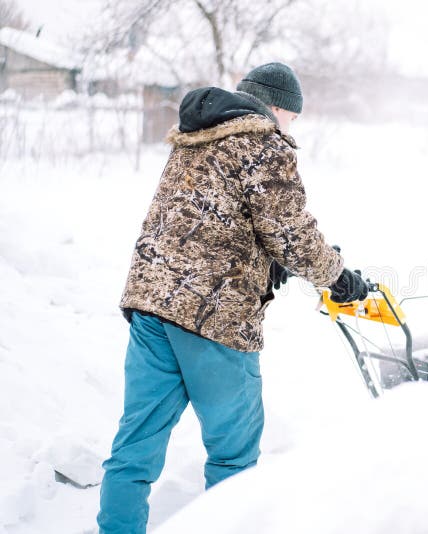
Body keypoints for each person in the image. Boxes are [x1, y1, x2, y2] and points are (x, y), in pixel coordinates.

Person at [97, 62, 368, 533]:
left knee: (135, 448)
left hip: (152, 304)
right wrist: (338, 277)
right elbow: (290, 232)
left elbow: (210, 217)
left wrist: (268, 261)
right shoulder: (263, 142)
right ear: (278, 107)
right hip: (213, 316)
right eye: (293, 118)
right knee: (233, 456)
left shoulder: (195, 136)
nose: (291, 128)